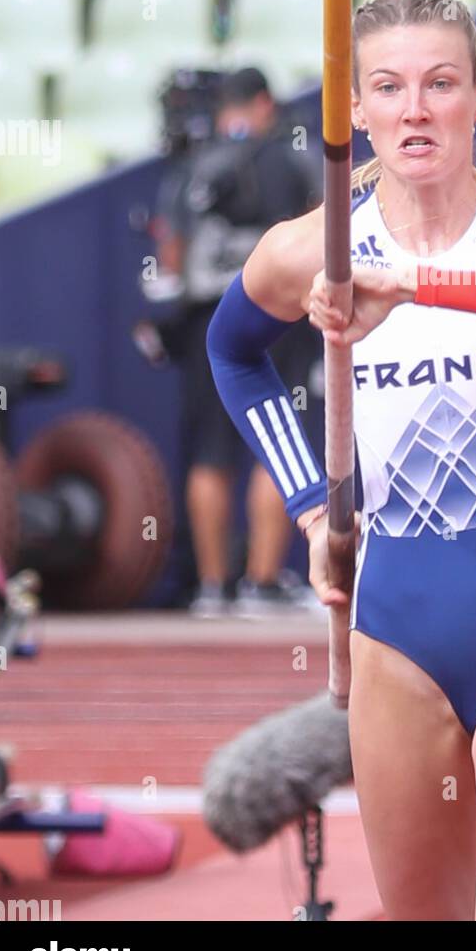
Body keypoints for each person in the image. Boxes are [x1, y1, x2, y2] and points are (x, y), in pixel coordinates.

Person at [206, 0, 476, 920]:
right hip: (395, 644)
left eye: (440, 84)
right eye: (389, 88)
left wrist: (415, 284)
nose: (415, 109)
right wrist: (314, 509)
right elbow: (231, 351)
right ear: (353, 110)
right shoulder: (315, 250)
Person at [151, 67, 322, 617]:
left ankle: (210, 586)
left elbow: (169, 257)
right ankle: (263, 582)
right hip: (275, 311)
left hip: (208, 318)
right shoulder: (290, 157)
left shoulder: (190, 165)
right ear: (266, 103)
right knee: (276, 442)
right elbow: (325, 229)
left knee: (210, 453)